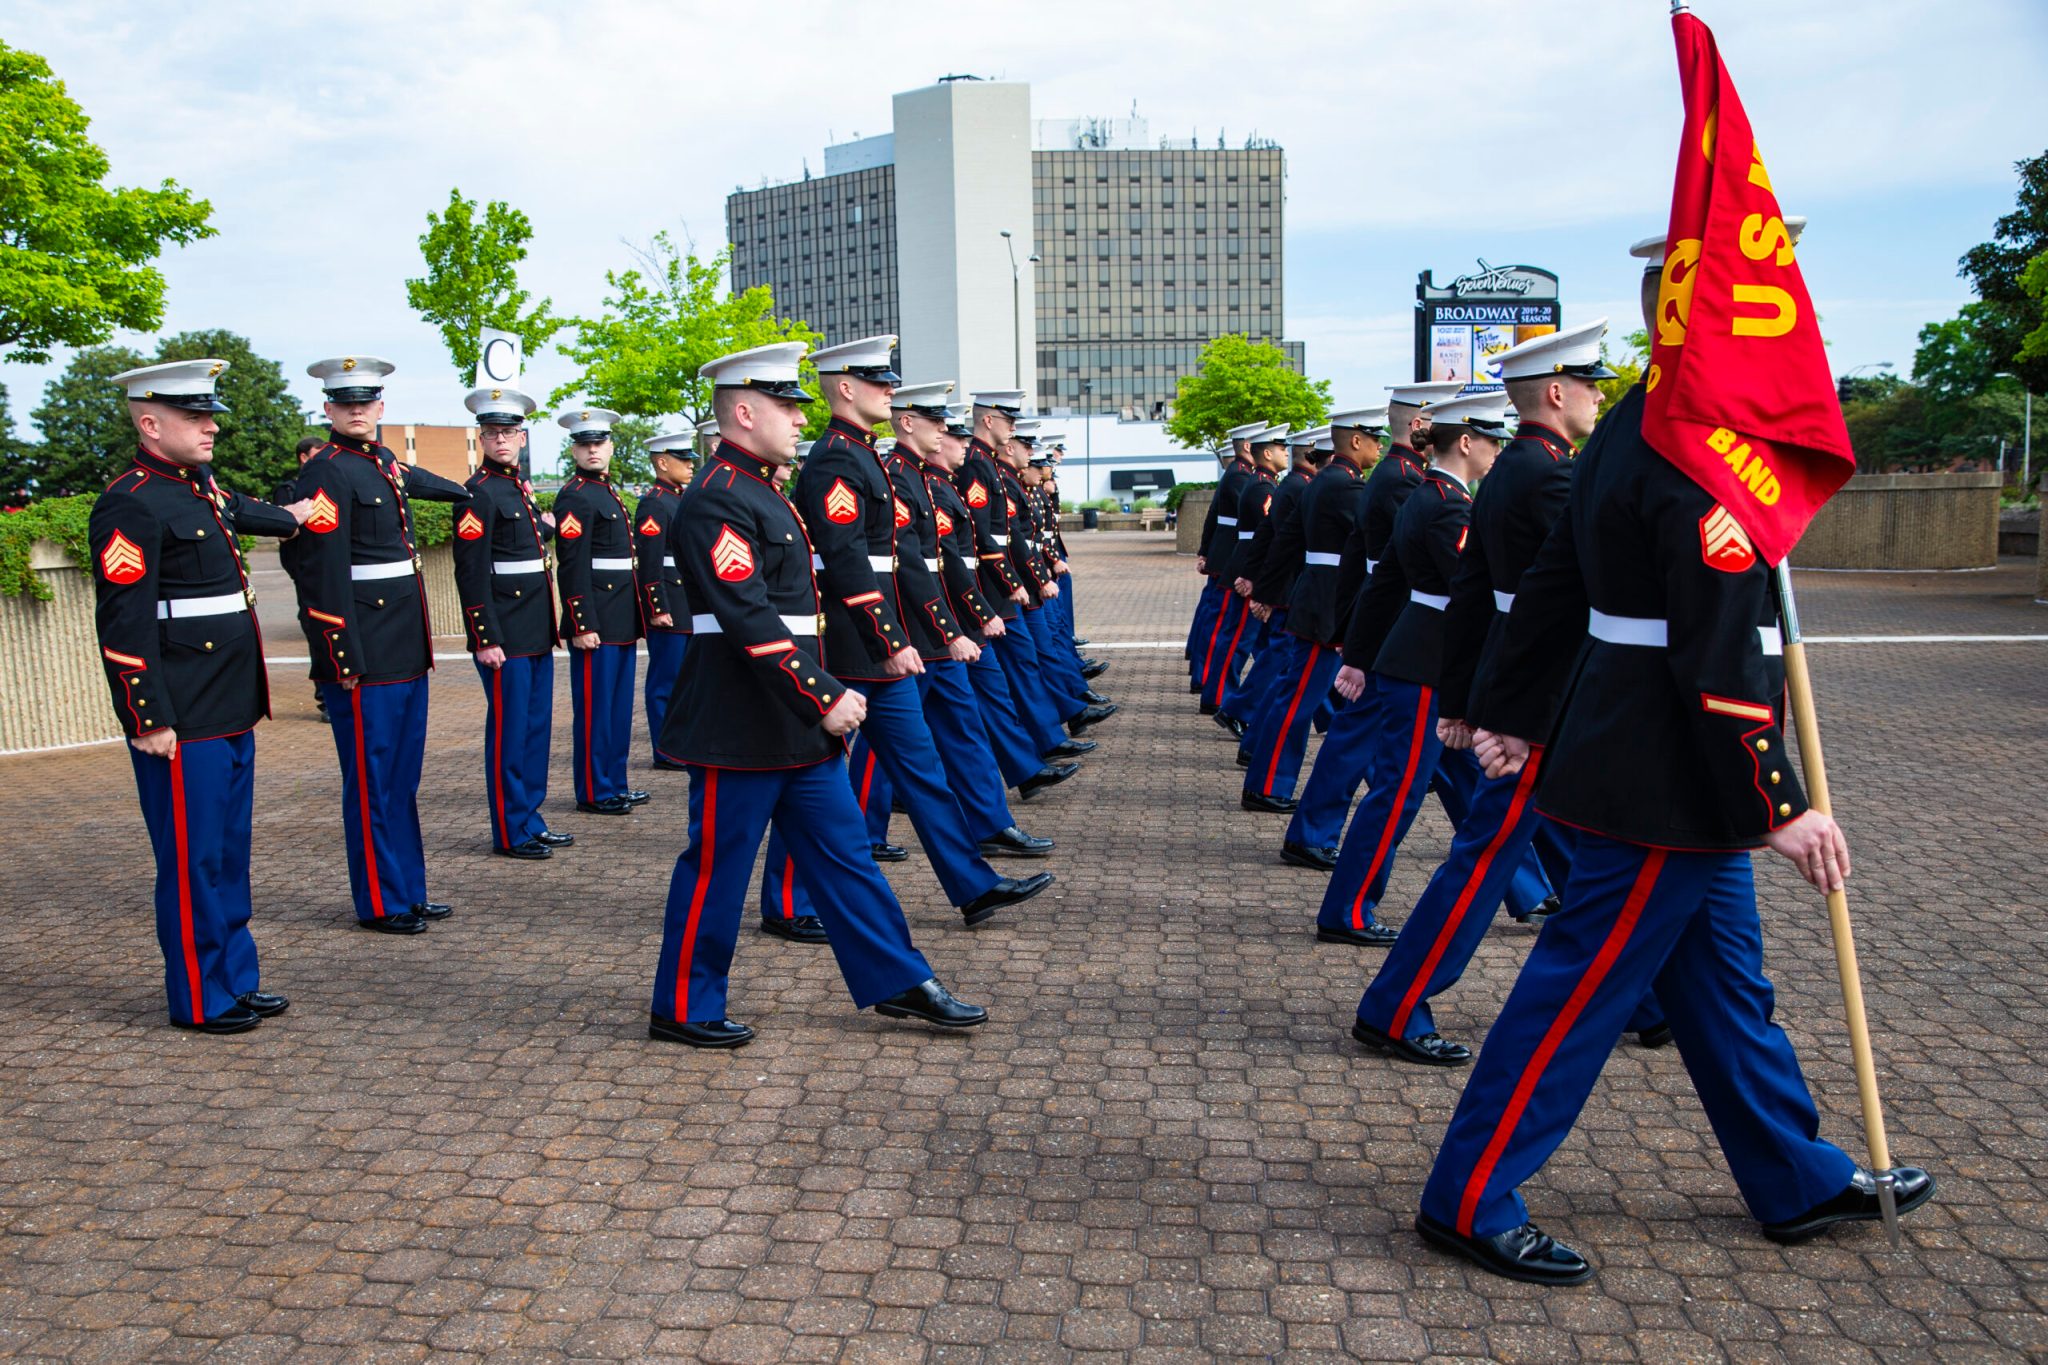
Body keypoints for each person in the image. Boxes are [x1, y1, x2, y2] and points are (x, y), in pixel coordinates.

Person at [1413, 228, 1932, 1284]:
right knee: (1574, 996)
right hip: (1665, 772)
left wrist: (1510, 708)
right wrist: (1776, 799)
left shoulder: (1639, 417)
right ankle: (1467, 1195)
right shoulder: (1700, 440)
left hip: (1651, 756)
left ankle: (1793, 1176)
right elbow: (1713, 649)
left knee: (1725, 987)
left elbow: (1557, 584)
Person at [647, 341, 989, 1047]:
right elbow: (748, 617)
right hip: (739, 724)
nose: (801, 418)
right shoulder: (716, 496)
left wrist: (818, 699)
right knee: (716, 871)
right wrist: (826, 693)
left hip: (796, 721)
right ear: (746, 412)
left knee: (847, 856)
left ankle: (900, 979)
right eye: (786, 406)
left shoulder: (762, 490)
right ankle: (682, 1005)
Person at [1355, 318, 1665, 1065]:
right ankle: (1395, 1004)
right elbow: (1570, 598)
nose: (1598, 397)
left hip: (1529, 690)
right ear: (1557, 392)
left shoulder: (1510, 474)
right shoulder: (1551, 476)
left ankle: (1648, 1001)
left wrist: (1463, 700)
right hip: (1545, 698)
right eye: (1589, 384)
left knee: (1594, 853)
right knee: (1485, 857)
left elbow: (1471, 598)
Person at [786, 339, 1051, 926]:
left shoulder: (864, 455)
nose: (889, 390)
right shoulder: (835, 458)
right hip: (851, 646)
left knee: (924, 770)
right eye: (878, 382)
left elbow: (898, 559)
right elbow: (846, 560)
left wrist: (903, 636)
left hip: (880, 645)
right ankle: (787, 903)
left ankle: (973, 885)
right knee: (811, 780)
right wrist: (891, 639)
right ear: (846, 388)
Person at [90, 358, 309, 1032]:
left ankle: (236, 980)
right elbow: (123, 625)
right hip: (181, 715)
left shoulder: (201, 488)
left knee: (227, 855)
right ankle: (200, 996)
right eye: (194, 416)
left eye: (209, 415)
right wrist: (147, 717)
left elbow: (249, 517)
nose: (211, 426)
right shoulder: (131, 501)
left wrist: (293, 516)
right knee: (191, 861)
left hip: (229, 704)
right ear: (151, 424)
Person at [289, 356, 471, 934]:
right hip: (364, 652)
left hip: (403, 647)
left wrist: (473, 492)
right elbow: (319, 572)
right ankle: (378, 899)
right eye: (346, 403)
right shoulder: (324, 472)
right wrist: (340, 654)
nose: (357, 410)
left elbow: (429, 487)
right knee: (372, 782)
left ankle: (409, 889)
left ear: (381, 407)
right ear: (328, 409)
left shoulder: (384, 462)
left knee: (400, 781)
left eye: (366, 402)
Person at [1241, 407, 1387, 832]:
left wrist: (1266, 590)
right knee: (1298, 701)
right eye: (1374, 438)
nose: (1379, 446)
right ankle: (1268, 784)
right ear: (1355, 441)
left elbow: (1283, 539)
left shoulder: (1324, 482)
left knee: (1306, 697)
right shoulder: (1345, 486)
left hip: (1316, 598)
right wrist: (1265, 591)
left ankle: (1270, 780)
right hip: (1326, 602)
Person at [933, 406, 1081, 801]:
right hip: (968, 600)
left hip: (974, 598)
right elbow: (970, 547)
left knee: (989, 692)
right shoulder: (973, 468)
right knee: (924, 719)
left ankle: (1026, 767)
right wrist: (1004, 591)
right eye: (952, 435)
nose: (960, 443)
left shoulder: (979, 468)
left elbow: (998, 536)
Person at [451, 382, 571, 861]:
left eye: (509, 432)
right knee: (509, 735)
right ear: (481, 438)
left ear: (522, 437)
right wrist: (484, 636)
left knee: (535, 732)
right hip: (504, 634)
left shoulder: (518, 488)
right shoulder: (477, 493)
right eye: (492, 433)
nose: (501, 440)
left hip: (535, 631)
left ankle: (530, 818)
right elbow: (470, 571)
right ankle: (509, 829)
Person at [552, 407, 648, 816]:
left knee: (617, 710)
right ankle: (594, 790)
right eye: (585, 444)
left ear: (610, 447)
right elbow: (572, 564)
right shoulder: (575, 495)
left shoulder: (608, 492)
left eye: (599, 443)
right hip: (597, 620)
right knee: (596, 711)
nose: (593, 450)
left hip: (620, 616)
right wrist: (581, 622)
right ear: (574, 450)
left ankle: (615, 782)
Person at [1229, 424, 1329, 767]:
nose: (1284, 453)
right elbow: (1278, 541)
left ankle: (1252, 730)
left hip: (1291, 586)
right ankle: (1244, 716)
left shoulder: (1292, 485)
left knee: (1293, 670)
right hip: (1293, 587)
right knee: (1286, 667)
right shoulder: (1295, 487)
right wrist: (1265, 591)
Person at [1205, 424, 1288, 729]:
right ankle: (1221, 700)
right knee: (1238, 640)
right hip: (1250, 569)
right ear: (1266, 453)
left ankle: (1236, 702)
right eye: (1281, 448)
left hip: (1248, 566)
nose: (1286, 453)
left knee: (1259, 644)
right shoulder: (1262, 487)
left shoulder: (1261, 482)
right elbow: (1264, 536)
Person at [1188, 422, 1267, 696]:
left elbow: (1213, 516)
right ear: (1248, 446)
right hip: (1233, 555)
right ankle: (1208, 681)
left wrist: (1205, 550)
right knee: (1222, 625)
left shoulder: (1240, 473)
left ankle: (1210, 681)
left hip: (1228, 553)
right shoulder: (1240, 476)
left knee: (1231, 626)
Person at [636, 431, 696, 771]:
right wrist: (656, 607)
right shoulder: (655, 503)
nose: (690, 465)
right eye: (682, 459)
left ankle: (682, 744)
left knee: (684, 681)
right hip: (670, 606)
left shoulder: (678, 499)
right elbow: (650, 561)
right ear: (662, 462)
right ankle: (665, 749)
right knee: (665, 682)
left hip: (685, 603)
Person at [277, 434, 331, 721]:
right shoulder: (288, 490)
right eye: (317, 452)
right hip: (307, 575)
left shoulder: (332, 485)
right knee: (317, 634)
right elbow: (283, 532)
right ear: (303, 456)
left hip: (332, 572)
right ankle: (325, 700)